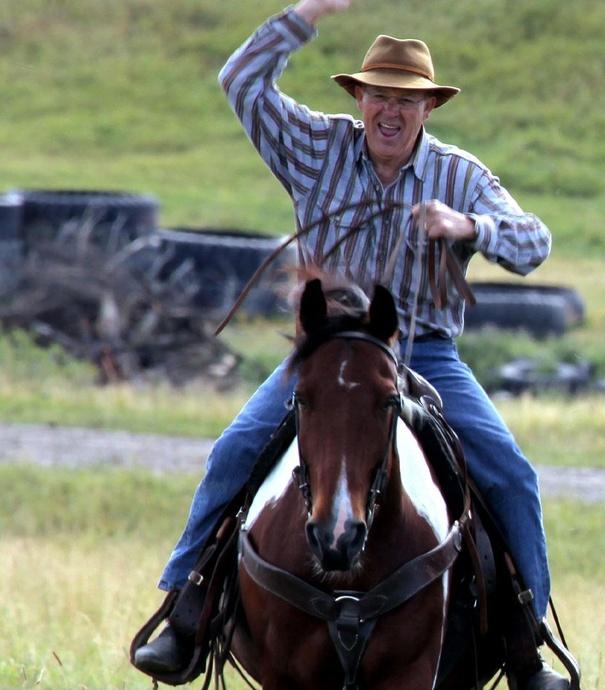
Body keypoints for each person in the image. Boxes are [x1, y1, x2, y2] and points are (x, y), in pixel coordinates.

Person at [132, 1, 570, 688]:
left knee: (511, 474)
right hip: (326, 354)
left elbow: (534, 242)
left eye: (407, 100)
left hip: (424, 354)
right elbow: (241, 81)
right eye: (379, 97)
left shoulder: (459, 175)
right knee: (236, 448)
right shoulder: (316, 147)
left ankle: (527, 641)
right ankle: (187, 605)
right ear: (359, 98)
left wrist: (470, 227)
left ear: (428, 108)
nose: (389, 113)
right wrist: (305, 13)